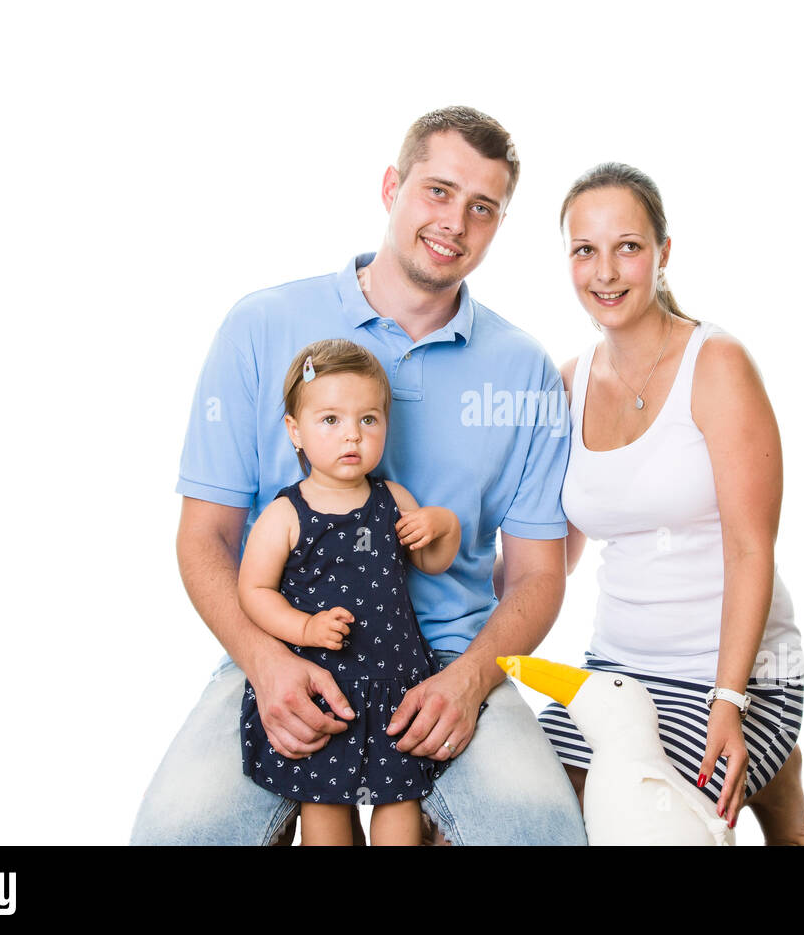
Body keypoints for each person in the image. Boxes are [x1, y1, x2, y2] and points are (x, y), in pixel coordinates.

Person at [131, 106, 587, 845]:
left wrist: (470, 681)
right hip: (283, 652)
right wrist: (267, 662)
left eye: (483, 208)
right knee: (177, 835)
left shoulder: (523, 371)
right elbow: (204, 538)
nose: (455, 223)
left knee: (540, 833)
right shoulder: (262, 325)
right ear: (391, 187)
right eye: (438, 191)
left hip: (450, 659)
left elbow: (539, 577)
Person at [535, 162, 804, 845]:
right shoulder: (565, 384)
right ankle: (780, 792)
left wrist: (729, 701)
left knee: (627, 823)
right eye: (584, 250)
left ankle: (777, 772)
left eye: (626, 246)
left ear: (662, 254)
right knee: (523, 814)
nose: (605, 271)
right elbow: (551, 558)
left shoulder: (716, 365)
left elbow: (752, 547)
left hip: (733, 676)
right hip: (616, 676)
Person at [238, 339, 461, 845]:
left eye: (368, 420)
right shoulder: (287, 514)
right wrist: (305, 627)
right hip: (324, 688)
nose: (352, 437)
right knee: (323, 804)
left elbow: (431, 562)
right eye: (330, 420)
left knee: (400, 799)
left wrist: (443, 526)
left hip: (394, 682)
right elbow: (253, 591)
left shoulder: (392, 499)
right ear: (295, 431)